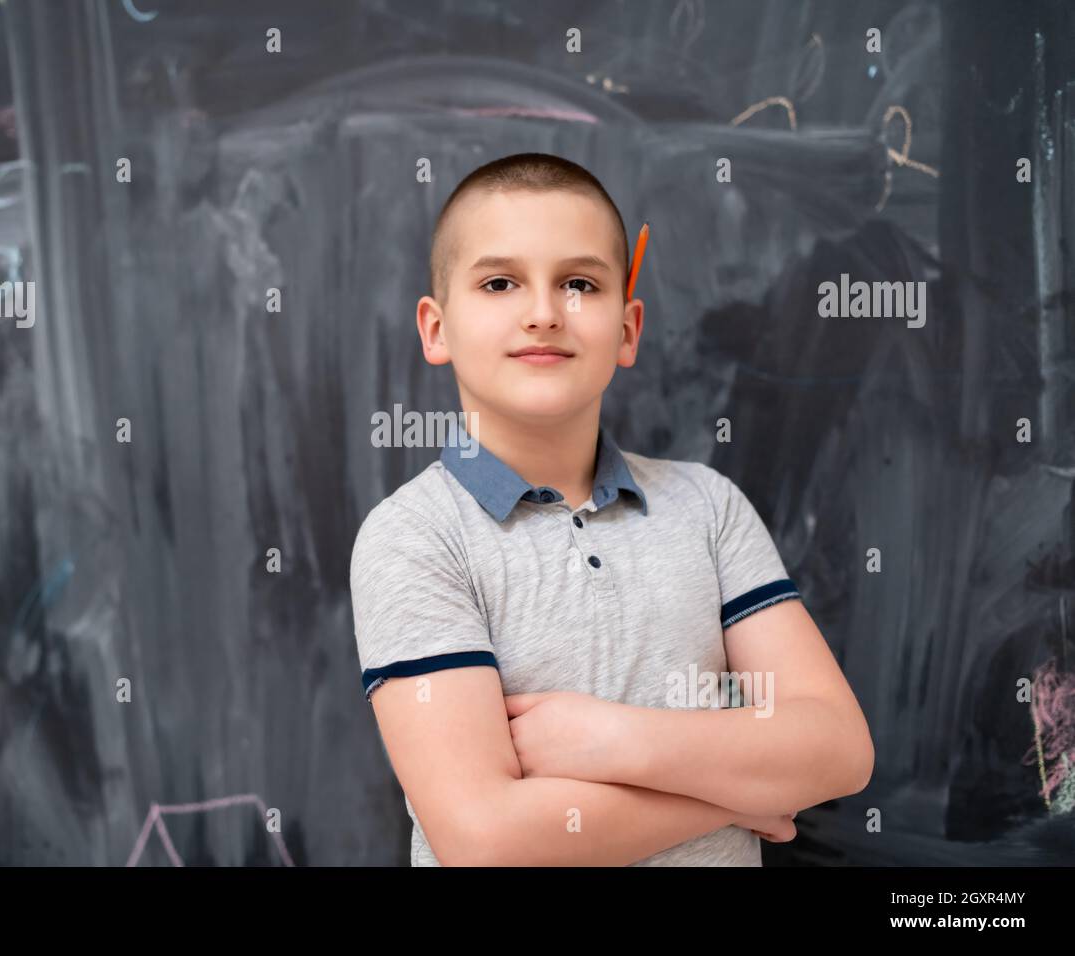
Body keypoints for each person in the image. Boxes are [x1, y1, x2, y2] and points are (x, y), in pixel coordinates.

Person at [348, 152, 874, 866]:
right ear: (435, 329)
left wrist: (609, 738)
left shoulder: (708, 508)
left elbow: (837, 749)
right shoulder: (414, 537)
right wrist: (739, 793)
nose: (542, 313)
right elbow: (487, 841)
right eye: (500, 282)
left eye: (579, 284)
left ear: (627, 330)